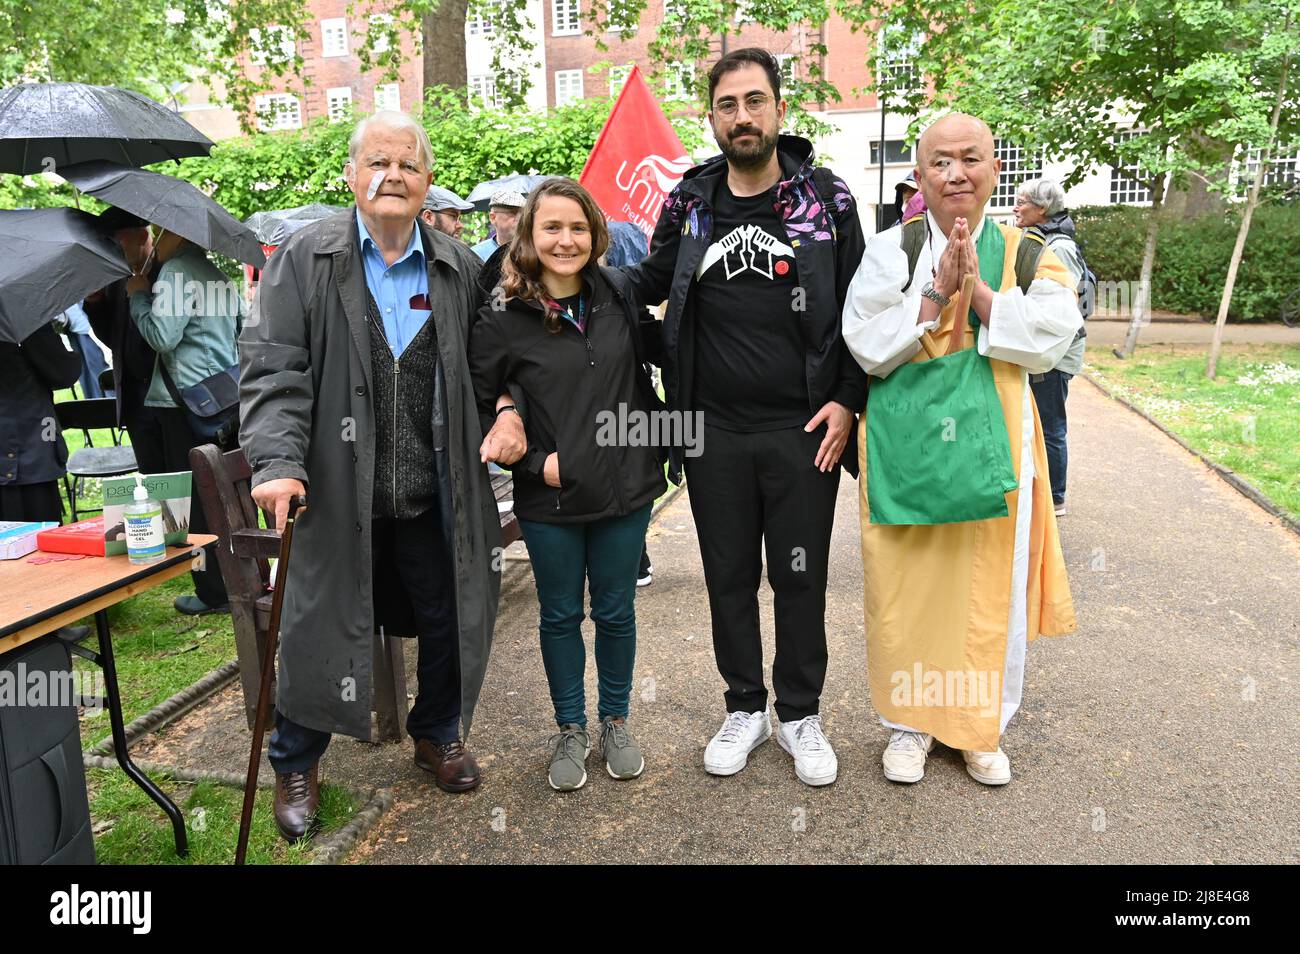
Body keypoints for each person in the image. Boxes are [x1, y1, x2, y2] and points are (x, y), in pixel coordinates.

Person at [240, 111, 524, 842]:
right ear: (352, 176)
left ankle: (437, 733)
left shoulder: (457, 267)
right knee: (314, 623)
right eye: (377, 163)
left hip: (435, 488)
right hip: (338, 492)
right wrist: (277, 463)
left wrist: (507, 407)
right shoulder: (306, 260)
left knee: (447, 614)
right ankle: (296, 759)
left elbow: (495, 362)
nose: (391, 175)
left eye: (406, 164)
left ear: (427, 181)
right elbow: (275, 368)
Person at [624, 48, 867, 788]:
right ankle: (744, 706)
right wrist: (567, 274)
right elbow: (646, 283)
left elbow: (865, 306)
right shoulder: (691, 201)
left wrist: (849, 401)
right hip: (711, 430)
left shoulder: (826, 199)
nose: (742, 116)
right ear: (713, 117)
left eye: (755, 101)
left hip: (805, 429)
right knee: (727, 575)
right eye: (728, 105)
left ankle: (800, 713)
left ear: (779, 110)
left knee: (800, 577)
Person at [841, 113, 1079, 787]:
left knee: (987, 586)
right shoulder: (892, 249)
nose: (956, 173)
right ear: (919, 176)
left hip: (995, 442)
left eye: (970, 158)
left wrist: (976, 289)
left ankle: (980, 726)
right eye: (940, 162)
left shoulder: (1030, 253)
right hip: (909, 445)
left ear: (994, 168)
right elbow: (862, 340)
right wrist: (935, 291)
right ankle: (911, 725)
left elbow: (1053, 337)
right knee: (909, 581)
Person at [469, 178, 665, 791]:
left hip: (624, 490)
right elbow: (477, 403)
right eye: (551, 227)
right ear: (528, 235)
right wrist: (530, 462)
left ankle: (615, 720)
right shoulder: (503, 316)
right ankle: (569, 728)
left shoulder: (620, 295)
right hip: (549, 497)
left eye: (578, 228)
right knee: (558, 616)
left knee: (615, 611)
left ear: (595, 235)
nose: (566, 240)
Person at [126, 227, 237, 616]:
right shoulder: (217, 273)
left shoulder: (175, 271)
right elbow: (239, 331)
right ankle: (243, 576)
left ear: (177, 235)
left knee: (191, 503)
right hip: (224, 397)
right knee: (229, 492)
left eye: (159, 232)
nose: (155, 239)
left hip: (183, 404)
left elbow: (162, 337)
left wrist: (138, 296)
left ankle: (212, 591)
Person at [1014, 177, 1088, 516]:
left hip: (1057, 354)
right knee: (1043, 421)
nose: (1016, 207)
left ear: (1042, 209)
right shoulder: (1043, 239)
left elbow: (1067, 307)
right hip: (1050, 349)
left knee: (1051, 423)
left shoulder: (1059, 248)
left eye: (1022, 201)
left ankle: (1056, 498)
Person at [84, 209, 159, 440]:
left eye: (119, 241)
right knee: (150, 474)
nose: (112, 250)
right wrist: (95, 303)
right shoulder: (116, 278)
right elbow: (114, 338)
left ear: (143, 237)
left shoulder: (165, 274)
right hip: (133, 396)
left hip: (167, 392)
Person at [0, 321, 82, 522]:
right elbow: (63, 372)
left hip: (31, 449)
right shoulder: (22, 314)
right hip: (29, 447)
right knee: (41, 541)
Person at [470, 188, 525, 261]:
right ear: (493, 218)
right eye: (513, 213)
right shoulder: (477, 254)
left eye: (523, 213)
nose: (520, 218)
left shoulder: (536, 249)